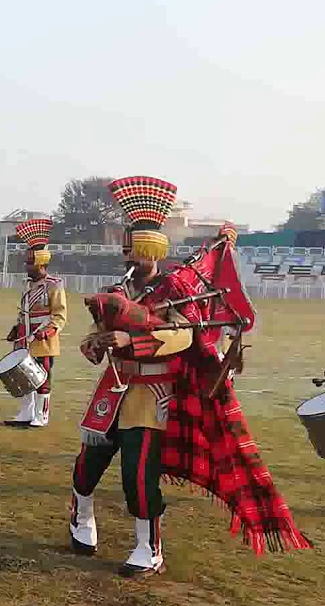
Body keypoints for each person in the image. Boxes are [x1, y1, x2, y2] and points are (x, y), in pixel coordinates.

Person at [71, 176, 310, 578]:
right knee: (87, 466)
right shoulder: (117, 288)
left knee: (138, 475)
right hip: (112, 390)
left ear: (149, 248)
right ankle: (81, 520)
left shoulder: (176, 289)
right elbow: (100, 334)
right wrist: (94, 343)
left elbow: (184, 336)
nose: (125, 249)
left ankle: (149, 548)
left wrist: (133, 337)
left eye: (131, 243)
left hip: (152, 396)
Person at [4, 218, 67, 427]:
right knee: (24, 378)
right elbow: (24, 313)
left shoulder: (54, 285)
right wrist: (16, 330)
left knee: (42, 379)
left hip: (43, 341)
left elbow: (59, 315)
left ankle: (42, 416)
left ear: (41, 263)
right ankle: (26, 413)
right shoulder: (28, 285)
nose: (27, 266)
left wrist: (47, 332)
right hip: (24, 340)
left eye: (30, 262)